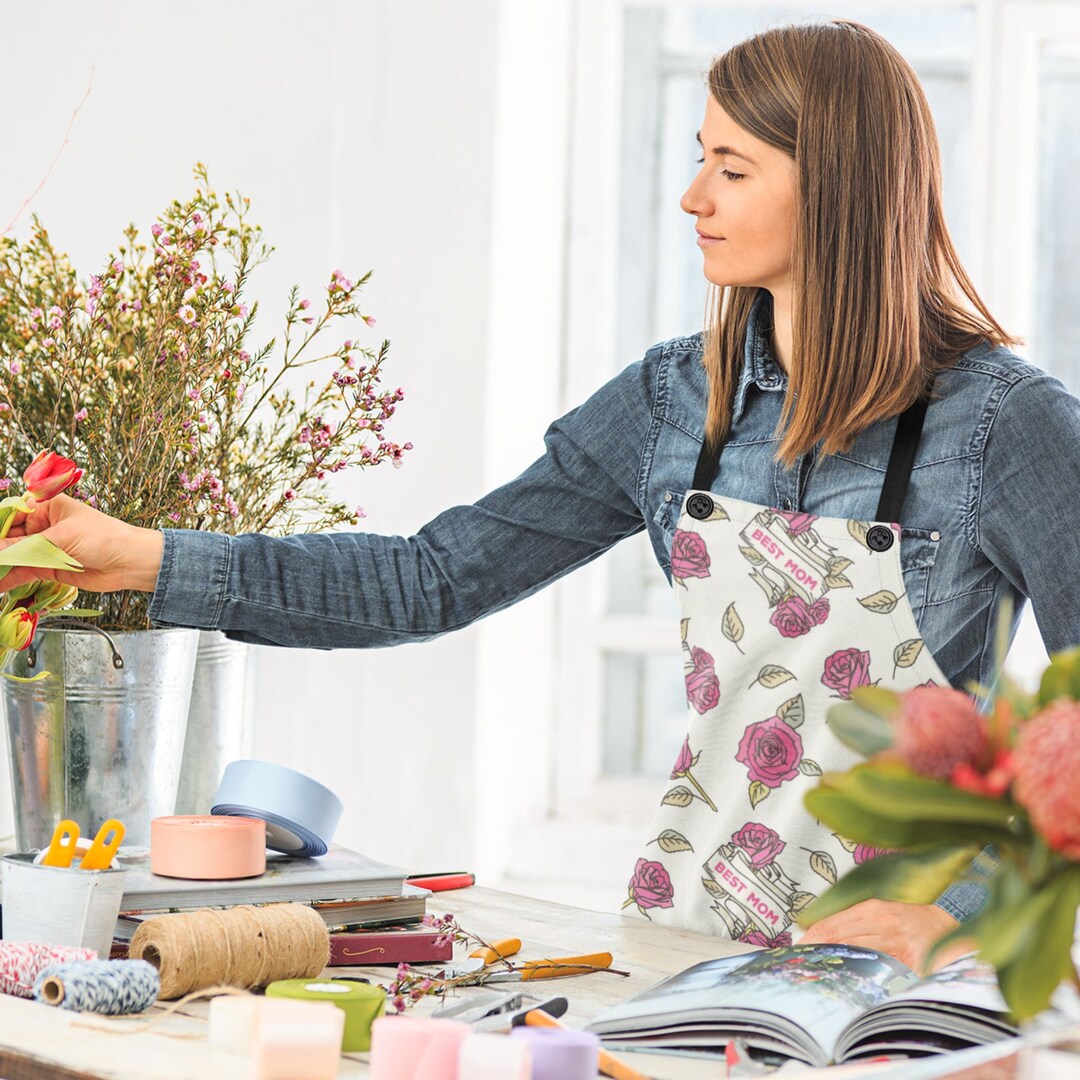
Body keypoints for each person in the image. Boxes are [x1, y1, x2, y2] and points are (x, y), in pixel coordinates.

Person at [3, 19, 1078, 971]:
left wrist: (970, 922)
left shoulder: (1003, 424)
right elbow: (431, 579)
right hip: (689, 952)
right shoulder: (672, 402)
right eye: (701, 158)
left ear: (838, 188)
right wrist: (146, 559)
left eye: (734, 170)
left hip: (916, 975)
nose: (692, 195)